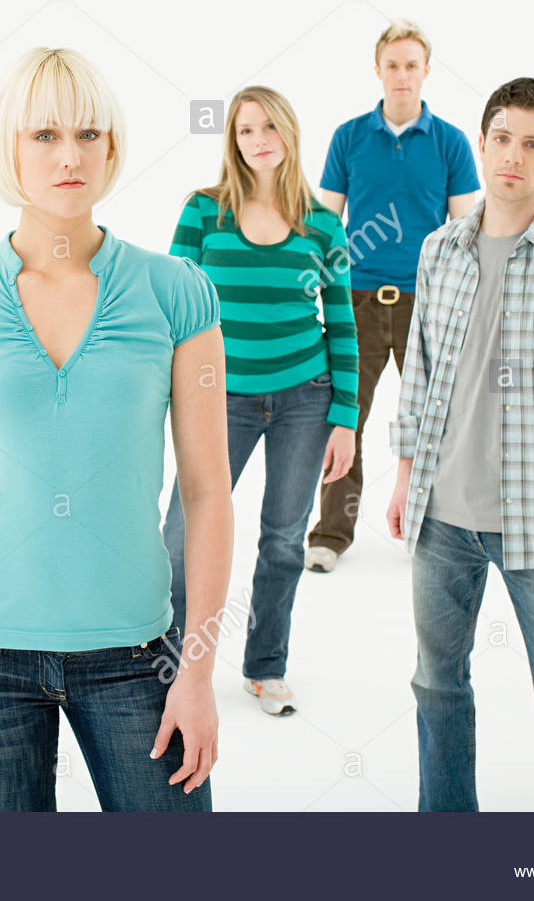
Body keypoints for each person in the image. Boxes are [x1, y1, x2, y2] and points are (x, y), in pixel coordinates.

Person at [0, 47, 231, 811]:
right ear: (9, 148)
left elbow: (208, 493)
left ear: (111, 147)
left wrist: (200, 673)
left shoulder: (176, 292)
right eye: (44, 135)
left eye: (89, 134)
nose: (70, 155)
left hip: (137, 655)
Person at [386, 77, 534, 811]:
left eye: (532, 144)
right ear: (482, 142)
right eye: (501, 139)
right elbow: (420, 372)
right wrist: (404, 477)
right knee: (436, 683)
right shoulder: (439, 249)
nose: (512, 157)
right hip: (440, 517)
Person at [162, 87, 358, 717]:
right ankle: (163, 659)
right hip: (220, 398)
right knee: (182, 532)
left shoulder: (323, 225)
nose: (258, 139)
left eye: (269, 126)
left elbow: (344, 323)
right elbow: (171, 308)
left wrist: (345, 418)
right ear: (234, 140)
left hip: (306, 397)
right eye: (246, 130)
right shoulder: (204, 212)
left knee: (282, 538)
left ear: (289, 133)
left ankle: (265, 666)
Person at [305, 18, 480, 573]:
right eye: (392, 65)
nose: (402, 75)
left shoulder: (451, 142)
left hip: (425, 306)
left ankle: (442, 534)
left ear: (426, 71)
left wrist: (458, 305)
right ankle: (331, 535)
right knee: (343, 420)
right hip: (354, 302)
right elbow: (325, 224)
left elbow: (467, 231)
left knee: (441, 422)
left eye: (412, 65)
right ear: (377, 70)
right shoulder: (349, 137)